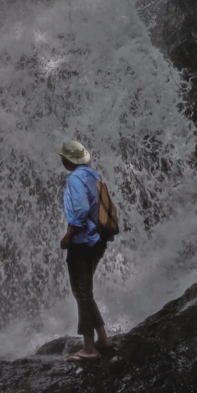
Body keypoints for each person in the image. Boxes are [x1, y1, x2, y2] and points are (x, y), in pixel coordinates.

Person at [56, 139, 115, 361]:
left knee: (81, 293)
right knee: (86, 292)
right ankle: (104, 339)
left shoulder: (74, 178)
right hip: (98, 240)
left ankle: (89, 348)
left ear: (69, 160)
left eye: (63, 156)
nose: (61, 160)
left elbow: (80, 209)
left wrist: (69, 234)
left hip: (82, 242)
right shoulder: (93, 175)